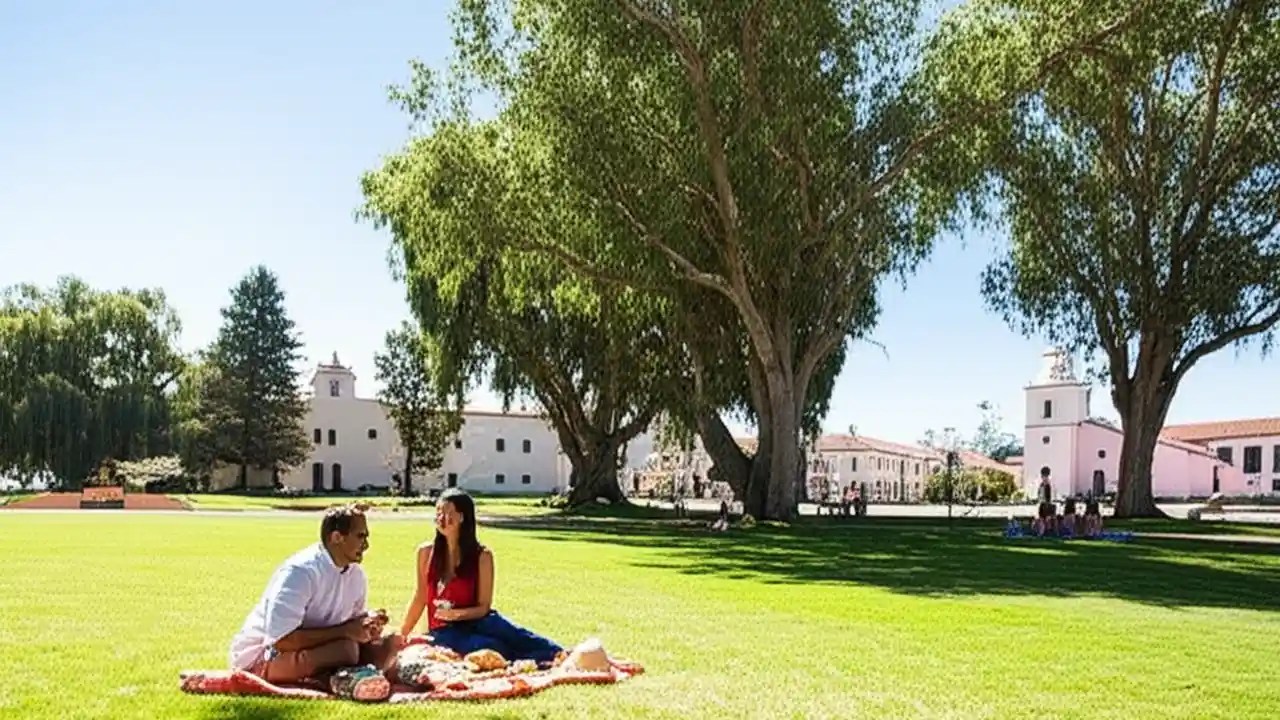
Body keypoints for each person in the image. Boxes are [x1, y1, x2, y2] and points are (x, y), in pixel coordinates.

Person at [229, 505, 403, 683]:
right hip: (265, 657)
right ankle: (344, 678)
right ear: (337, 537)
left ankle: (354, 676)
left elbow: (353, 626)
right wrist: (346, 631)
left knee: (391, 643)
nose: (366, 545)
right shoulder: (300, 572)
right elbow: (282, 640)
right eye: (360, 537)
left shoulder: (356, 574)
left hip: (326, 648)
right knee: (345, 650)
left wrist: (368, 625)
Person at [399, 488, 564, 665]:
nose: (441, 518)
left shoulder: (482, 556)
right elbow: (420, 598)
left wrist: (455, 614)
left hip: (479, 620)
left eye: (447, 513)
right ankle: (530, 662)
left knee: (516, 635)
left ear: (463, 517)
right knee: (491, 647)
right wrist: (402, 635)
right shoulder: (425, 553)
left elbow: (483, 607)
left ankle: (562, 656)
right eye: (438, 512)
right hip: (444, 630)